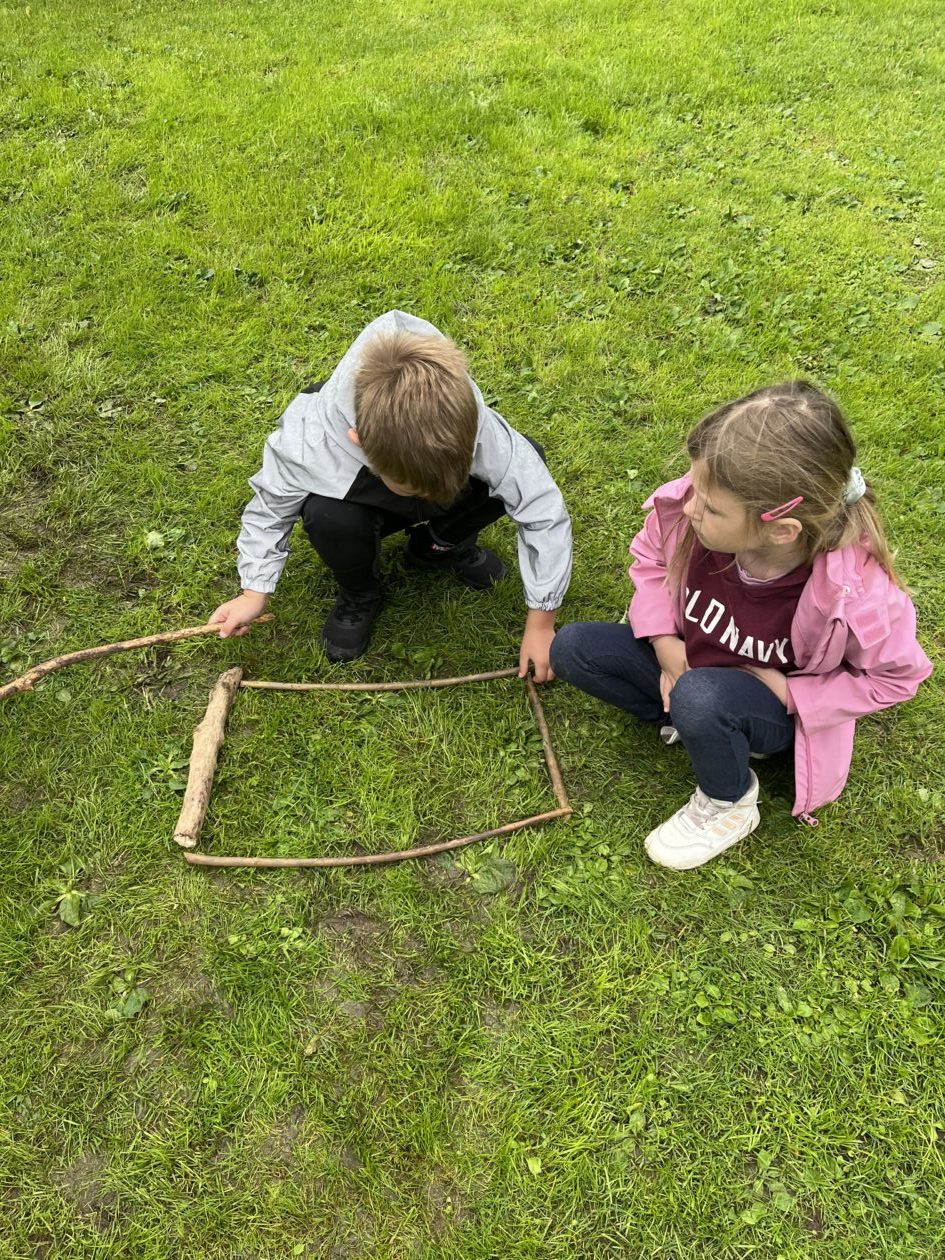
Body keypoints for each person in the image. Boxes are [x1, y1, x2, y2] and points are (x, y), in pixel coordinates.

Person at [550, 381, 932, 870]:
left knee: (702, 698)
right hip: (691, 667)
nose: (689, 507)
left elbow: (898, 678)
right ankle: (691, 724)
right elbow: (649, 559)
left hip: (769, 707)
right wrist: (666, 646)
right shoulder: (692, 517)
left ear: (780, 529)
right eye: (694, 490)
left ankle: (728, 800)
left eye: (709, 506)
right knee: (576, 647)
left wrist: (793, 696)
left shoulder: (857, 596)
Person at [209, 310, 571, 679]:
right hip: (358, 505)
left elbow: (541, 507)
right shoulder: (308, 441)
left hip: (426, 483)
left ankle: (437, 547)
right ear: (360, 443)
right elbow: (269, 511)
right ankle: (360, 591)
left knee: (529, 457)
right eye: (415, 487)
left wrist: (541, 622)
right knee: (328, 515)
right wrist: (255, 592)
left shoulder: (473, 422)